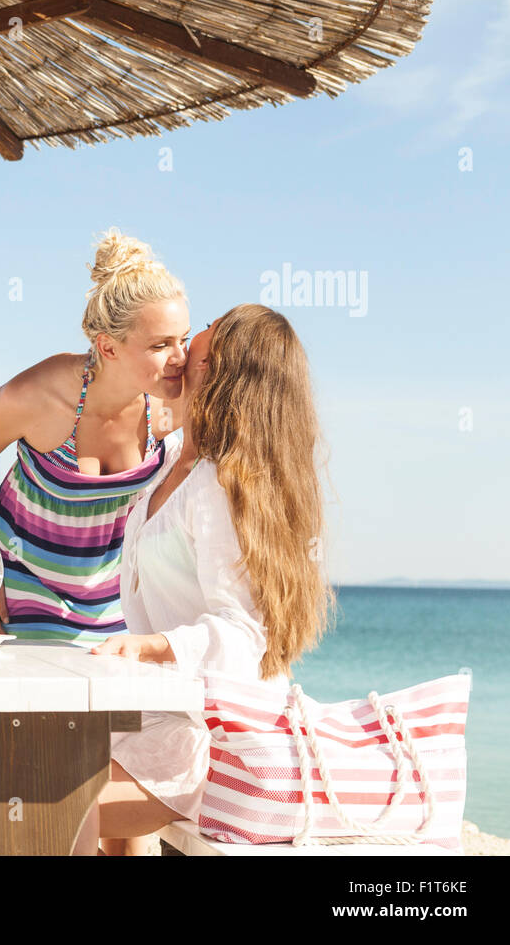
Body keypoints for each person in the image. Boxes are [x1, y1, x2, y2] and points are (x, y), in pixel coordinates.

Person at [74, 303, 333, 855]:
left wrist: (150, 646)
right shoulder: (172, 462)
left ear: (219, 375)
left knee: (50, 813)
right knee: (30, 777)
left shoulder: (219, 483)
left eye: (193, 352)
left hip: (214, 742)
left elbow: (244, 633)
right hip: (159, 719)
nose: (178, 357)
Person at [0, 229, 188, 638]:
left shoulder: (173, 401)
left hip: (120, 598)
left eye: (183, 340)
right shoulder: (39, 396)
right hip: (25, 587)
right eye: (161, 345)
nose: (180, 358)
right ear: (107, 348)